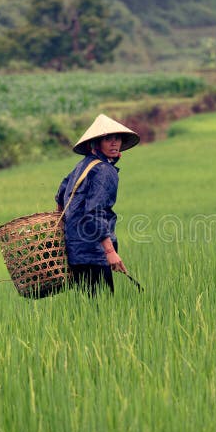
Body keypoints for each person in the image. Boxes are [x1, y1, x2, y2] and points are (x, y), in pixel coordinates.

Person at [55, 114, 140, 296]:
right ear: (95, 144)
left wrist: (65, 227)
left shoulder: (83, 165)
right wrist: (109, 251)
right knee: (103, 311)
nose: (114, 143)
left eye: (117, 138)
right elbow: (94, 212)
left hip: (76, 252)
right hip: (93, 252)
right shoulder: (104, 170)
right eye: (107, 139)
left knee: (88, 311)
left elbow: (60, 194)